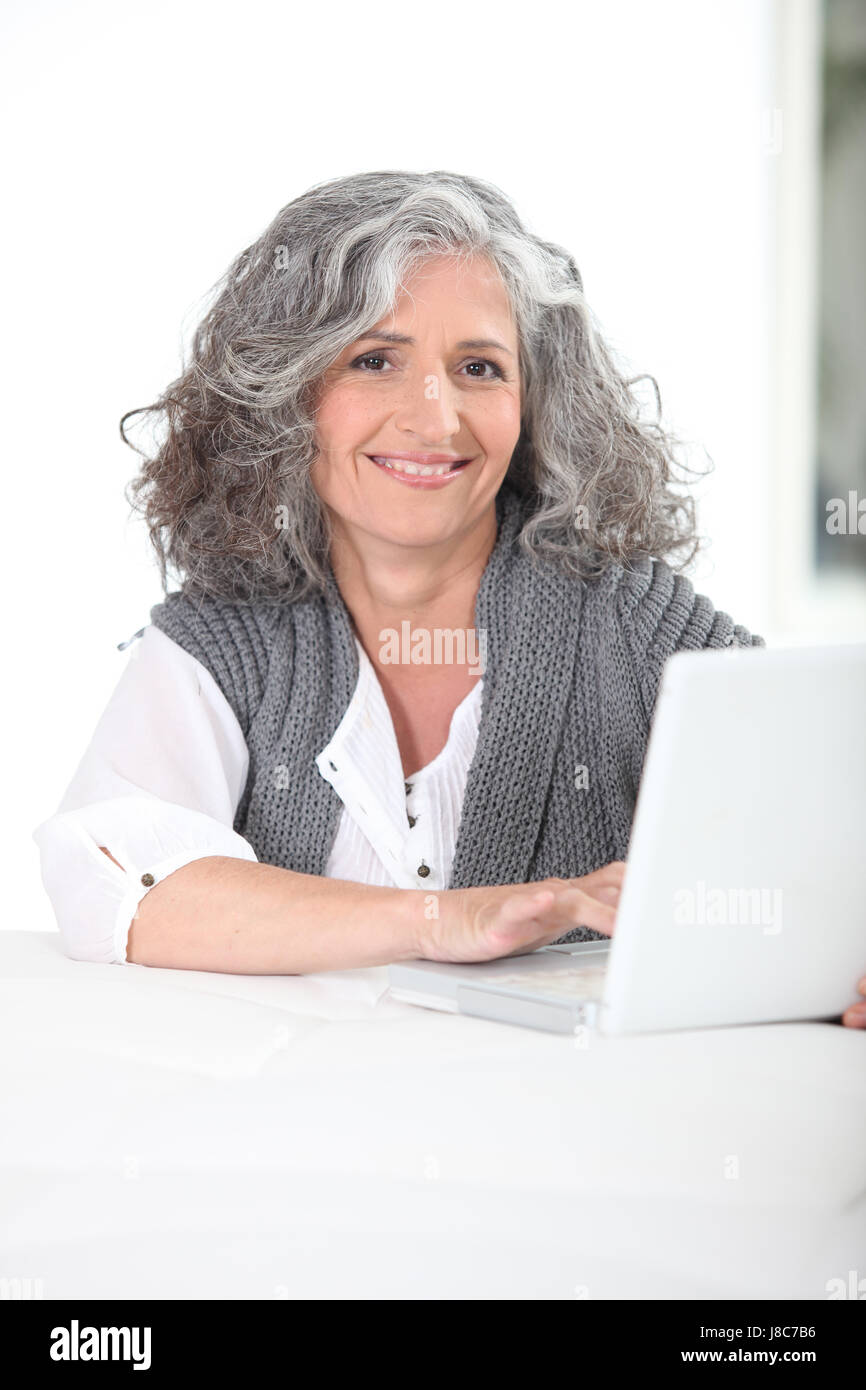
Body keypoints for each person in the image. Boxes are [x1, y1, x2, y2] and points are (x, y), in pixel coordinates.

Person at [32, 170, 866, 1028]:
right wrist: (445, 922)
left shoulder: (634, 621)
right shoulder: (222, 641)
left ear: (533, 407)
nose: (436, 420)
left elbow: (827, 814)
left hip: (575, 1142)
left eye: (478, 367)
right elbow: (118, 885)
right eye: (375, 360)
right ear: (288, 395)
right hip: (290, 1142)